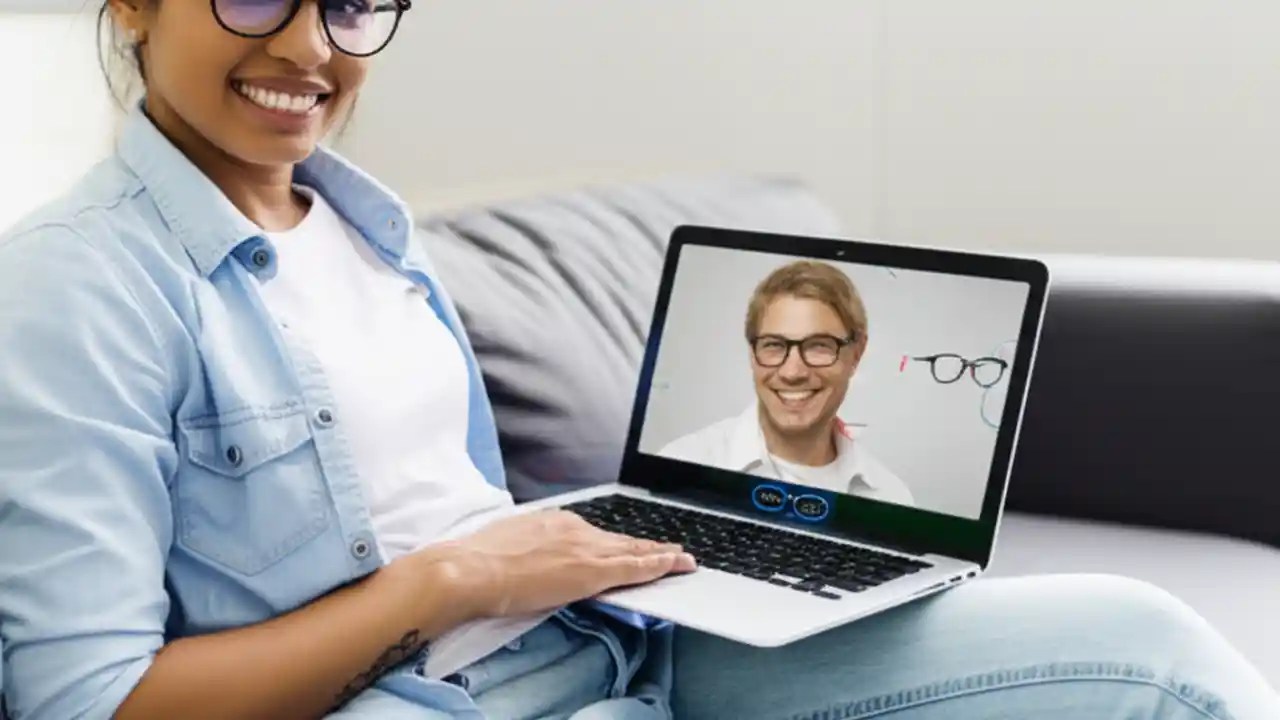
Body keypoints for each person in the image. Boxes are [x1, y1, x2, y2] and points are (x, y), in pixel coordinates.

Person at [0, 1, 1276, 718]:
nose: (306, 51)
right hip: (426, 696)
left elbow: (441, 503)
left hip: (614, 635)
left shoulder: (370, 227)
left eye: (348, 7)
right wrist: (447, 583)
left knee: (1150, 648)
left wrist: (607, 552)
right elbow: (86, 703)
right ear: (128, 5)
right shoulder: (79, 284)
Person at [660, 261, 916, 506]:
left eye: (819, 346)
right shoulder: (680, 463)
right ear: (752, 354)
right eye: (774, 345)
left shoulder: (890, 496)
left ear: (857, 354)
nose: (793, 372)